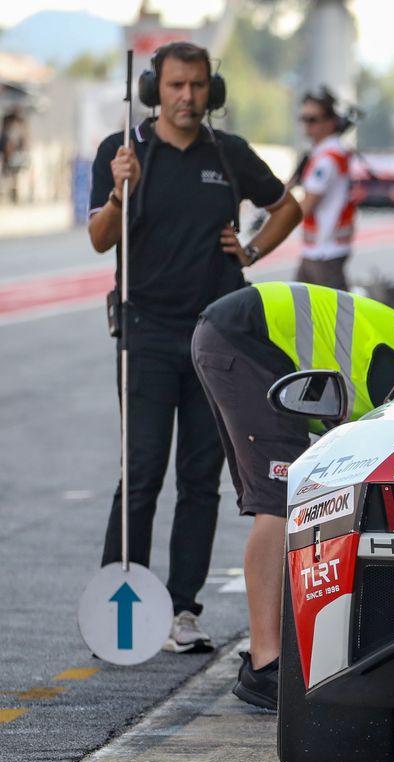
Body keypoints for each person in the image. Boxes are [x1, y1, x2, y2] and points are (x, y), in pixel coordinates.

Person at [87, 41, 301, 652]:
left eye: (199, 86)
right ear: (157, 89)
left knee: (201, 478)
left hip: (216, 340)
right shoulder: (124, 152)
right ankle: (117, 608)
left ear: (213, 90)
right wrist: (118, 193)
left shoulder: (228, 154)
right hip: (144, 335)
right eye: (177, 86)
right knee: (141, 474)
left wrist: (254, 250)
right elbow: (100, 240)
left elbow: (287, 206)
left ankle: (182, 613)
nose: (188, 98)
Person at [192, 282, 394, 709]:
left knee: (286, 494)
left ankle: (280, 650)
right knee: (278, 500)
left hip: (242, 333)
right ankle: (266, 666)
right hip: (250, 338)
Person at [295, 87, 355, 290]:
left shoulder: (327, 159)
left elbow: (306, 206)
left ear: (330, 122)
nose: (306, 125)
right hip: (321, 248)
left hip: (324, 251)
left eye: (312, 119)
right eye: (303, 118)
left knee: (334, 319)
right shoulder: (330, 152)